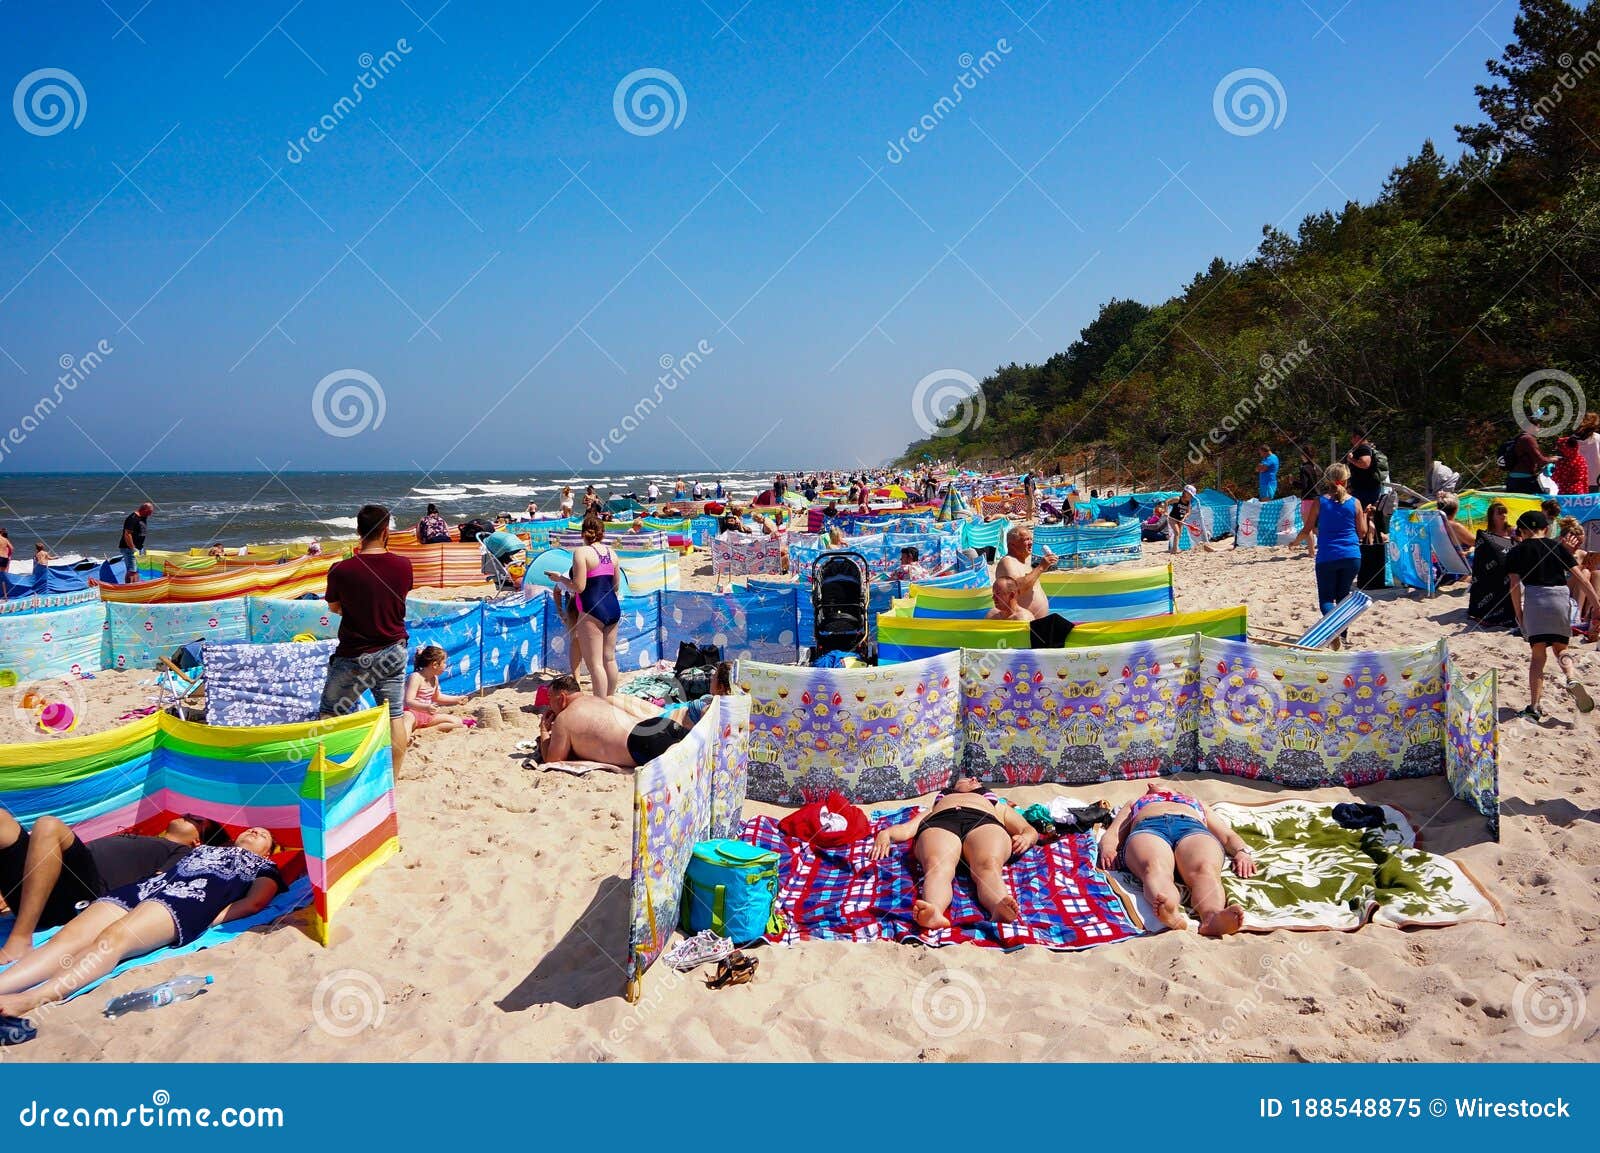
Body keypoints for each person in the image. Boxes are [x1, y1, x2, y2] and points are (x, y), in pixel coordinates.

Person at [0, 829, 284, 1017]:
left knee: (113, 940)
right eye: (251, 829)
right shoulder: (202, 850)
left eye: (264, 835)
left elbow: (255, 902)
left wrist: (209, 920)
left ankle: (36, 997)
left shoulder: (264, 867)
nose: (255, 831)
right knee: (67, 938)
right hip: (144, 889)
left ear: (269, 852)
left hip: (188, 900)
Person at [0, 811, 215, 964]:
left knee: (48, 825)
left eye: (196, 819)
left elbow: (154, 888)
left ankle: (21, 937)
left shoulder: (183, 853)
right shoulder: (142, 838)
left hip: (82, 896)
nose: (186, 815)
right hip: (43, 892)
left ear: (198, 841)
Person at [317, 504, 414, 779]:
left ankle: (333, 774)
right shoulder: (402, 565)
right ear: (386, 531)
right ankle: (393, 779)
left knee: (330, 715)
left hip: (354, 653)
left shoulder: (341, 570)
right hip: (393, 650)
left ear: (358, 531)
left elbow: (334, 607)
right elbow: (398, 599)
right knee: (394, 715)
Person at [868, 777, 1037, 929]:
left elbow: (1027, 829)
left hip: (983, 821)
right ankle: (934, 911)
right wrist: (886, 834)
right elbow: (908, 829)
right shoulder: (939, 804)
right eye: (967, 778)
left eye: (978, 780)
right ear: (954, 786)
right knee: (936, 865)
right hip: (942, 821)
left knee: (988, 864)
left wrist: (1027, 838)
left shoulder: (995, 803)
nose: (974, 778)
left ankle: (998, 906)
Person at [1095, 783, 1253, 936]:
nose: (1150, 785)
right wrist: (1108, 847)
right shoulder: (1135, 802)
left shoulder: (1197, 803)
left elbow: (1226, 835)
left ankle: (1212, 917)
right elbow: (1115, 831)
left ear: (1177, 790)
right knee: (1154, 866)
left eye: (1158, 784)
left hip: (1192, 827)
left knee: (1205, 868)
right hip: (1148, 827)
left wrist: (1242, 851)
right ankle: (1171, 913)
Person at [1507, 510, 1598, 720]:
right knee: (1560, 648)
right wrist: (1596, 604)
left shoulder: (1516, 552)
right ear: (1546, 529)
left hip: (1535, 599)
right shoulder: (1557, 547)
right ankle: (1571, 677)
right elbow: (1582, 579)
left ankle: (1535, 707)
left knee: (1538, 657)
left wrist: (1519, 614)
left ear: (1521, 531)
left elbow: (1514, 586)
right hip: (1559, 598)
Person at [538, 675, 703, 767]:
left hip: (642, 743)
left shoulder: (564, 719)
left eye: (550, 699)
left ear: (562, 698)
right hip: (661, 725)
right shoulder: (596, 700)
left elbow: (553, 761)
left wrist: (544, 732)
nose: (549, 705)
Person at [550, 512, 621, 697]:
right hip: (613, 608)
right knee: (610, 659)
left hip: (592, 608)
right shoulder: (612, 553)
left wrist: (560, 579)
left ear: (583, 533)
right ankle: (611, 698)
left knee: (595, 664)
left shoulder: (581, 553)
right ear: (602, 533)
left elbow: (579, 587)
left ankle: (600, 703)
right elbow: (617, 586)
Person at [1303, 463, 1367, 630]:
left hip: (1327, 556)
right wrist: (1366, 515)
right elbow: (1362, 532)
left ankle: (1334, 631)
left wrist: (1295, 542)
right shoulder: (1356, 503)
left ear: (1328, 480)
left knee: (1326, 599)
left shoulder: (1320, 502)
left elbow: (1307, 528)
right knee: (1343, 597)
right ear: (1346, 480)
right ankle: (1342, 635)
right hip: (1352, 556)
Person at [403, 645, 471, 738]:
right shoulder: (415, 677)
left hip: (427, 716)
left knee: (458, 722)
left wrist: (457, 699)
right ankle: (405, 739)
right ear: (435, 665)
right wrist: (426, 707)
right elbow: (409, 701)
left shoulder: (434, 678)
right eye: (444, 662)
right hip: (412, 713)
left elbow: (437, 697)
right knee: (407, 719)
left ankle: (426, 731)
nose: (446, 665)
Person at [994, 526, 1057, 618]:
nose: (1031, 543)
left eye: (1031, 539)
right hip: (1023, 623)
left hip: (1034, 623)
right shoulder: (1007, 561)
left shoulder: (1024, 563)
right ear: (1012, 545)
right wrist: (1041, 567)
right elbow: (1017, 588)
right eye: (1026, 540)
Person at [1505, 417, 1557, 495]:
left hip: (1513, 478)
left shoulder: (1519, 437)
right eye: (1538, 427)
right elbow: (1540, 460)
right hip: (1524, 480)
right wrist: (1553, 459)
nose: (1538, 430)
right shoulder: (1528, 439)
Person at [1287, 450, 1322, 552]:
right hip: (1318, 498)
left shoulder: (1304, 468)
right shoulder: (1316, 467)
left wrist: (1293, 482)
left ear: (1304, 455)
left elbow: (1304, 485)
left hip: (1308, 499)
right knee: (1316, 527)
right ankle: (1326, 546)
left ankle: (1311, 552)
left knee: (1308, 527)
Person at [117, 501, 154, 583]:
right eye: (149, 512)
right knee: (132, 571)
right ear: (143, 510)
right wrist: (132, 548)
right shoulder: (132, 518)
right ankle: (130, 587)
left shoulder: (143, 517)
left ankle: (136, 585)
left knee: (137, 569)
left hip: (139, 547)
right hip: (129, 548)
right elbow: (127, 534)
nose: (150, 515)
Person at [1574, 412, 1600, 493]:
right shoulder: (1598, 438)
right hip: (1595, 476)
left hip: (1576, 476)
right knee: (1593, 502)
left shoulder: (1572, 439)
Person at [1167, 485, 1195, 554]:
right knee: (1176, 532)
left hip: (1181, 520)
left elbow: (1188, 512)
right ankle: (1174, 550)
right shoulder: (1177, 499)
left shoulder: (1188, 503)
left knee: (1179, 535)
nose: (1191, 497)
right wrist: (1165, 511)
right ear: (1185, 492)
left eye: (1192, 496)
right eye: (1190, 495)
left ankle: (1174, 548)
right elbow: (1166, 502)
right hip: (1172, 518)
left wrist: (1183, 519)